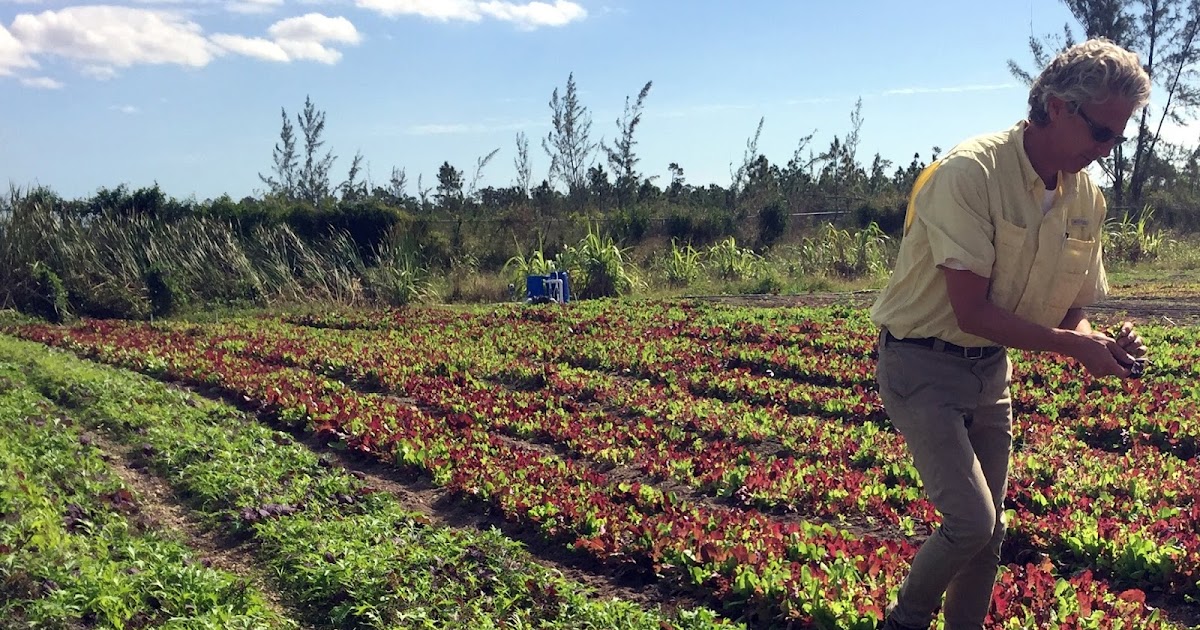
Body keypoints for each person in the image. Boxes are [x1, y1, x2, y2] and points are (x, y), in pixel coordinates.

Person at [871, 38, 1151, 630]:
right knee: (971, 521)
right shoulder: (970, 173)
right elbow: (971, 311)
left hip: (988, 369)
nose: (1107, 150)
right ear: (1055, 106)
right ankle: (905, 621)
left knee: (991, 534)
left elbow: (1072, 306)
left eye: (1117, 138)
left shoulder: (1086, 196)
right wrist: (1075, 347)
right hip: (921, 362)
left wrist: (1098, 343)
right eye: (1101, 132)